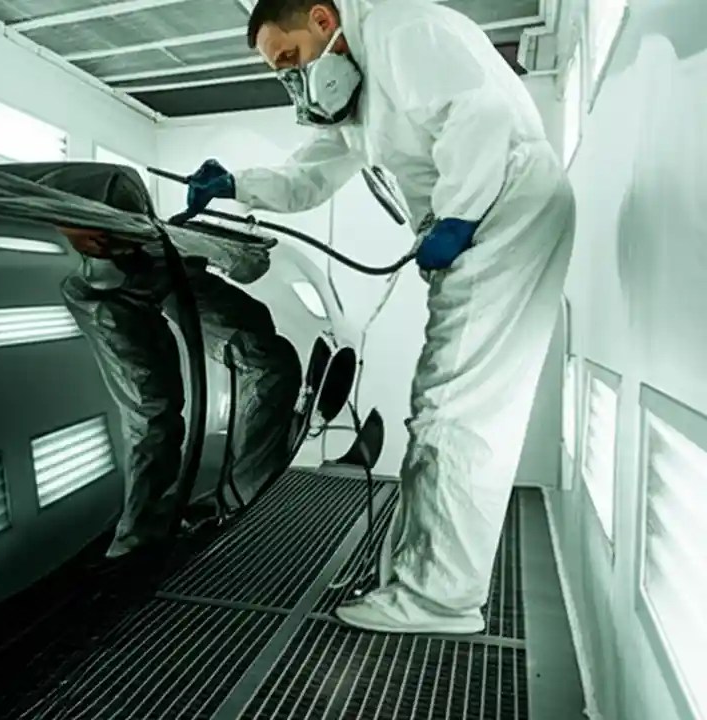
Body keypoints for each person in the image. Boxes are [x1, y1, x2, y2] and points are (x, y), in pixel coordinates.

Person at [181, 0, 575, 634]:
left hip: (504, 210)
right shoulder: (358, 99)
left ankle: (441, 600)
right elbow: (306, 180)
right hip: (484, 221)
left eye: (291, 60)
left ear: (320, 18)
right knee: (442, 408)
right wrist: (236, 184)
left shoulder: (401, 30)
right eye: (279, 72)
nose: (293, 78)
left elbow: (481, 114)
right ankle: (417, 578)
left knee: (455, 411)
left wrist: (459, 216)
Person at [55, 184, 302, 561]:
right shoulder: (96, 284)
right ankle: (136, 541)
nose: (102, 240)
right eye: (94, 234)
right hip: (108, 290)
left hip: (158, 266)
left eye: (110, 232)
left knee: (272, 362)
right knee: (153, 415)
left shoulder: (163, 245)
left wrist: (216, 240)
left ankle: (243, 496)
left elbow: (250, 269)